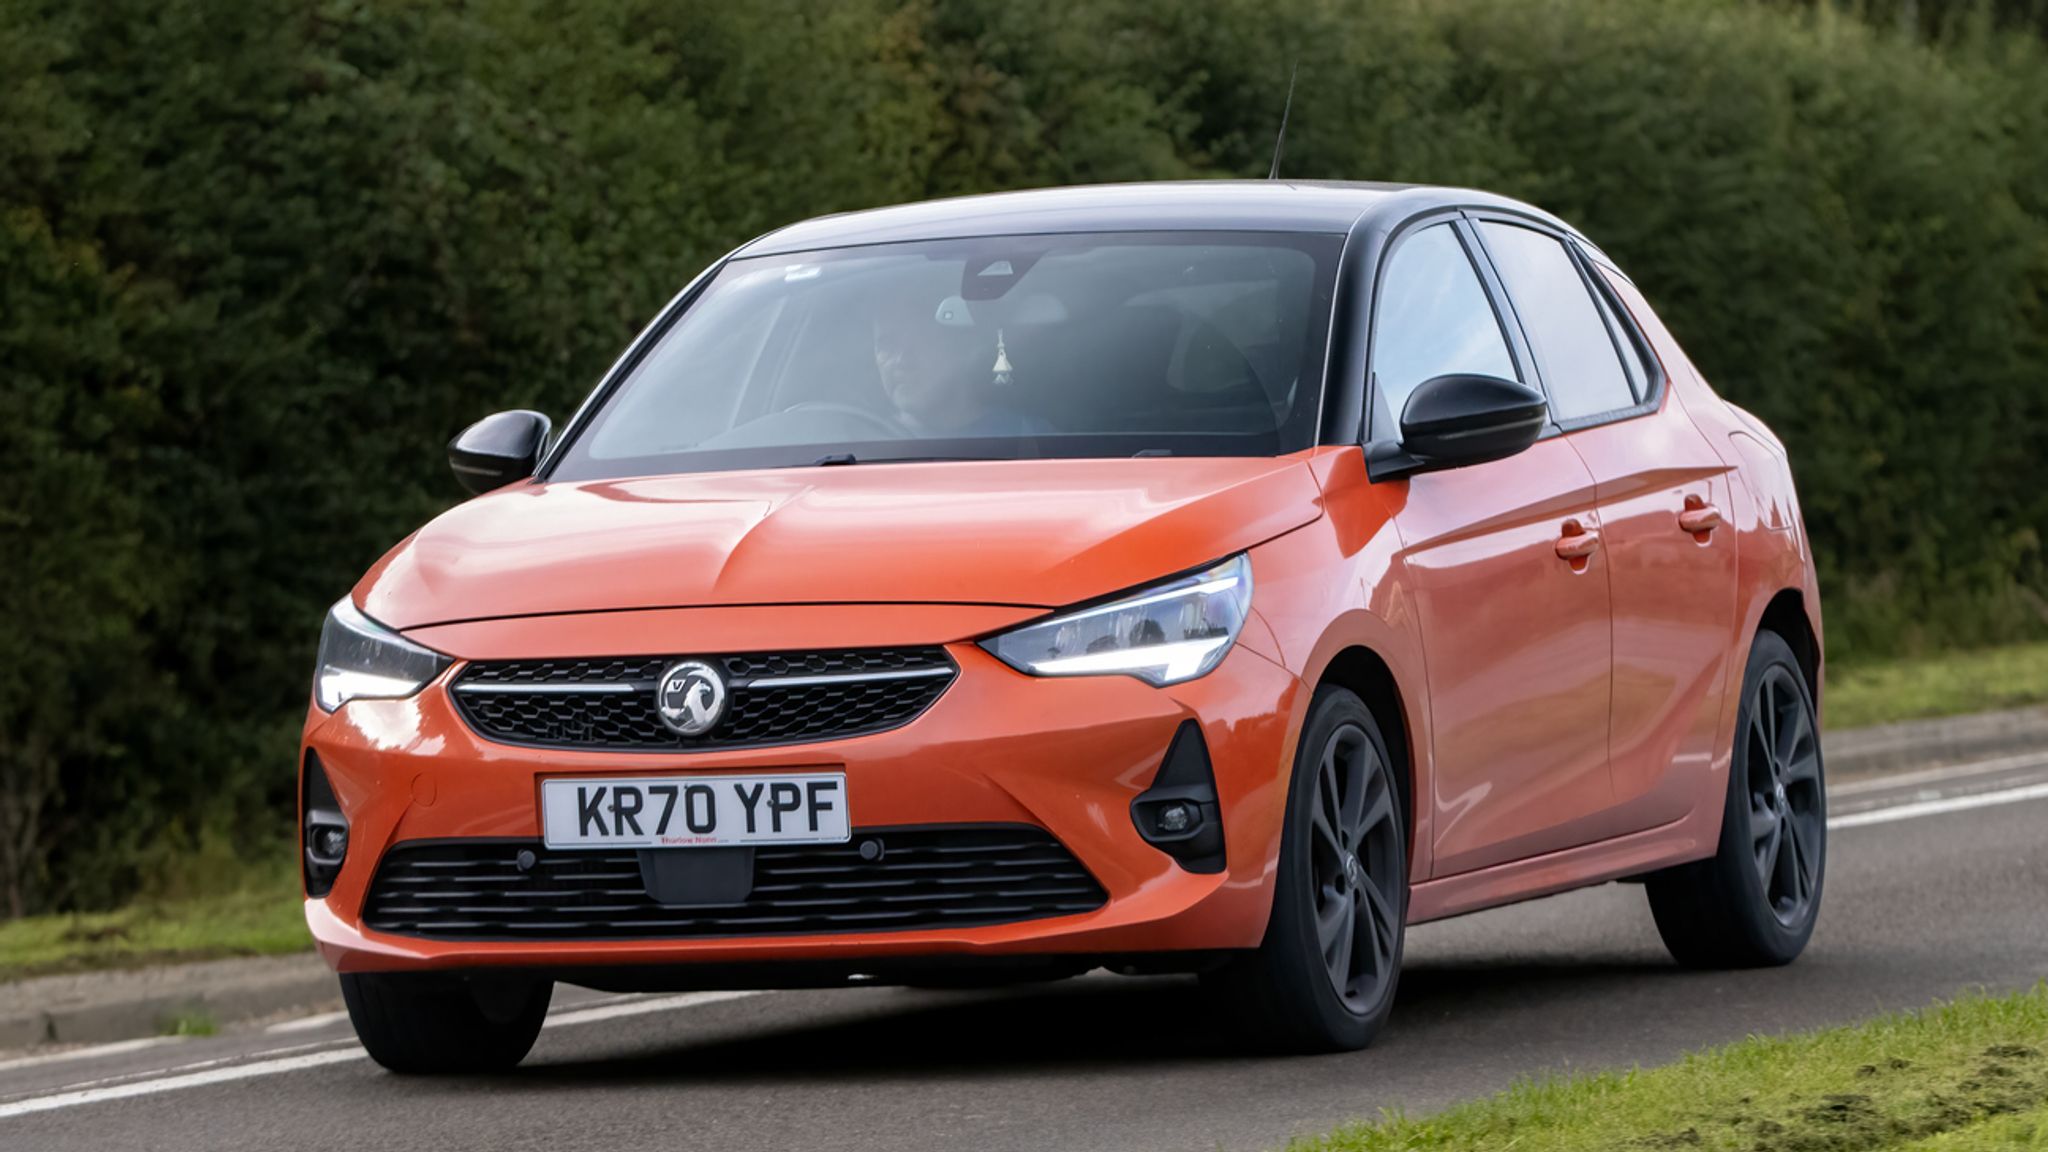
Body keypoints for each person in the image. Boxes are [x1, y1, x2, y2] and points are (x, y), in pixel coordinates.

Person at [870, 297, 1051, 437]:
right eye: (887, 346)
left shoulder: (1029, 437)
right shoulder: (862, 438)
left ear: (961, 350)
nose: (901, 360)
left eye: (922, 341)